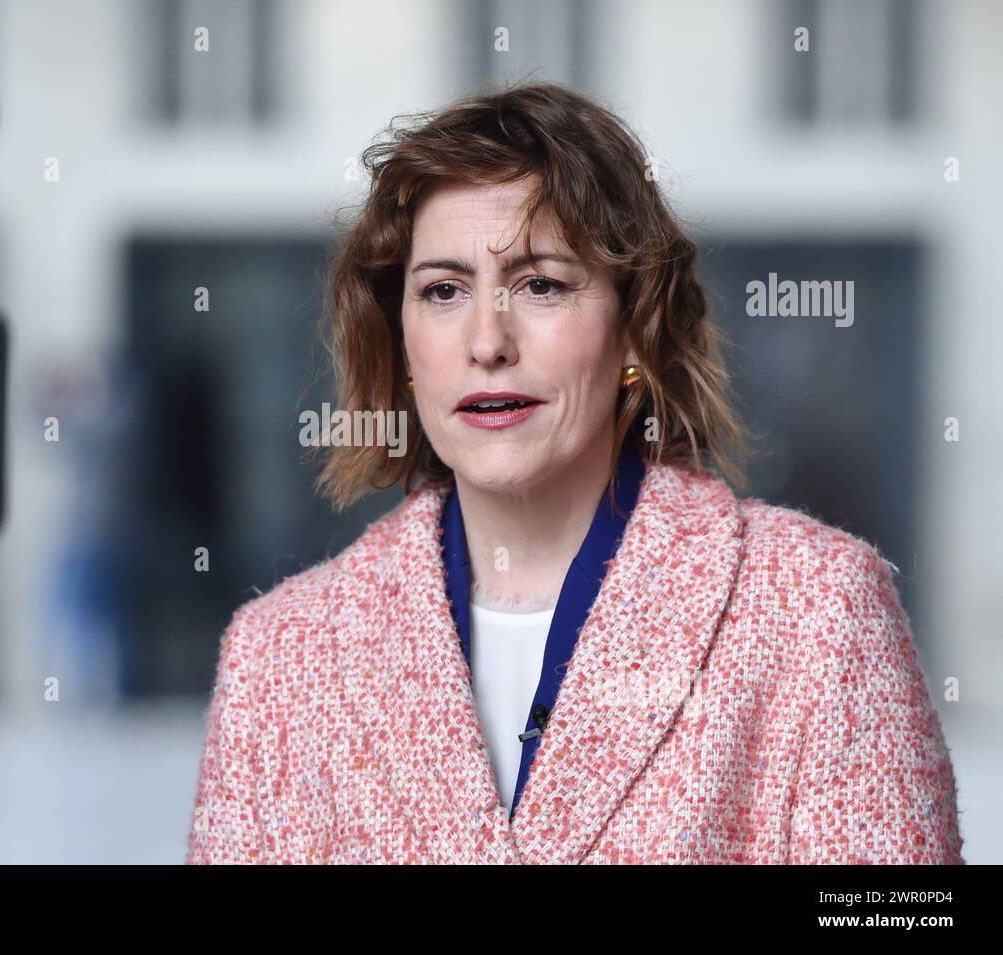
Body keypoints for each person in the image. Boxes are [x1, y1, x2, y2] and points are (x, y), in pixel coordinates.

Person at [184, 82, 964, 864]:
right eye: (444, 290)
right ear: (401, 342)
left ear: (635, 330)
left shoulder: (819, 612)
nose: (487, 341)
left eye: (542, 285)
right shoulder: (279, 658)